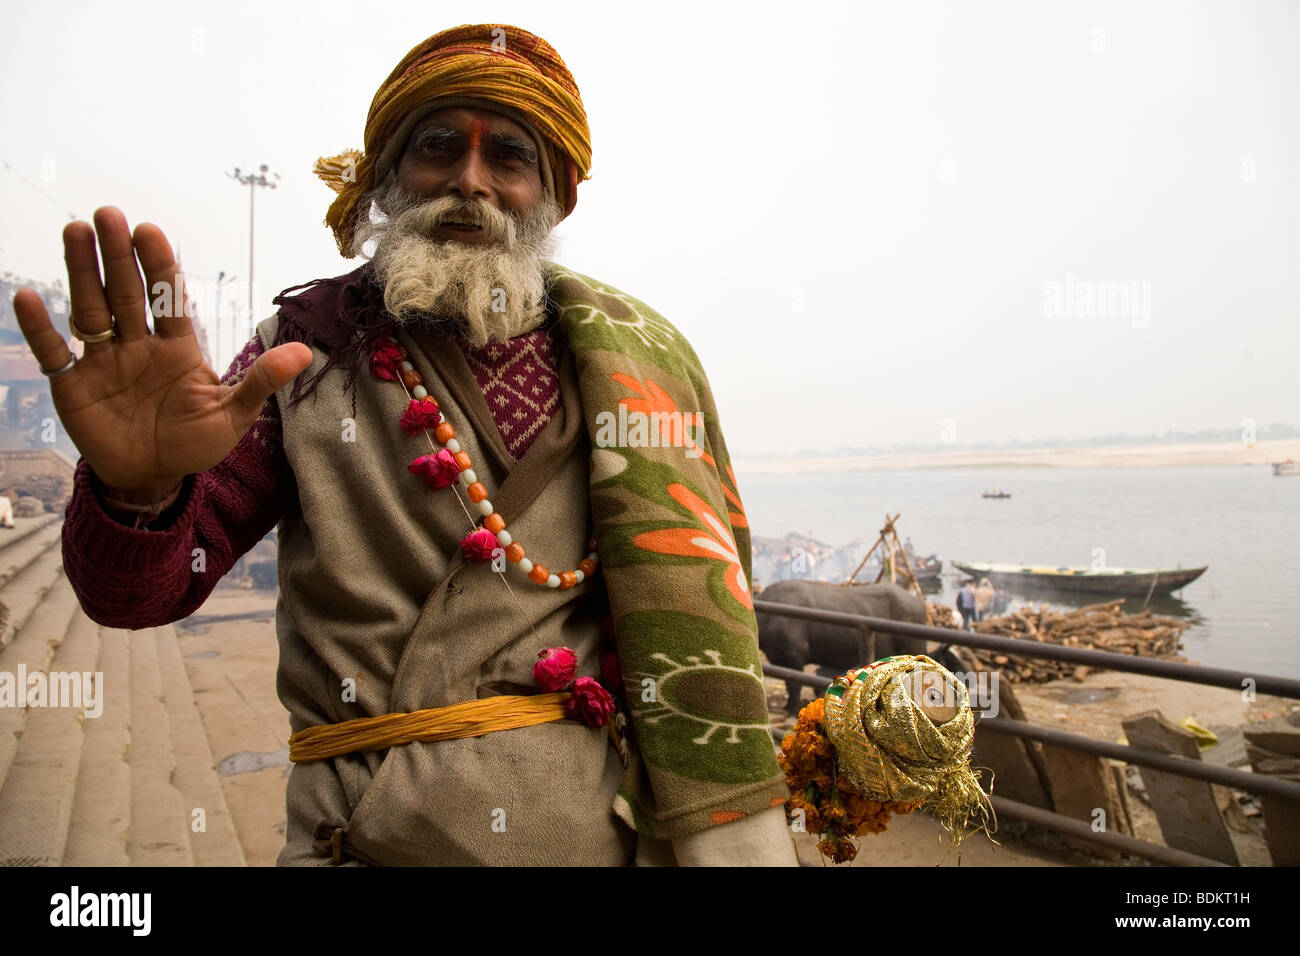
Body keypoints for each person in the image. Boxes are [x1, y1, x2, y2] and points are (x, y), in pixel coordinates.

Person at [14, 24, 795, 867]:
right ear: (388, 178)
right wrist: (140, 493)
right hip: (363, 840)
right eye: (436, 148)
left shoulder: (639, 364)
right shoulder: (301, 353)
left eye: (507, 155)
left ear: (555, 194)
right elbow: (139, 597)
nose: (470, 181)